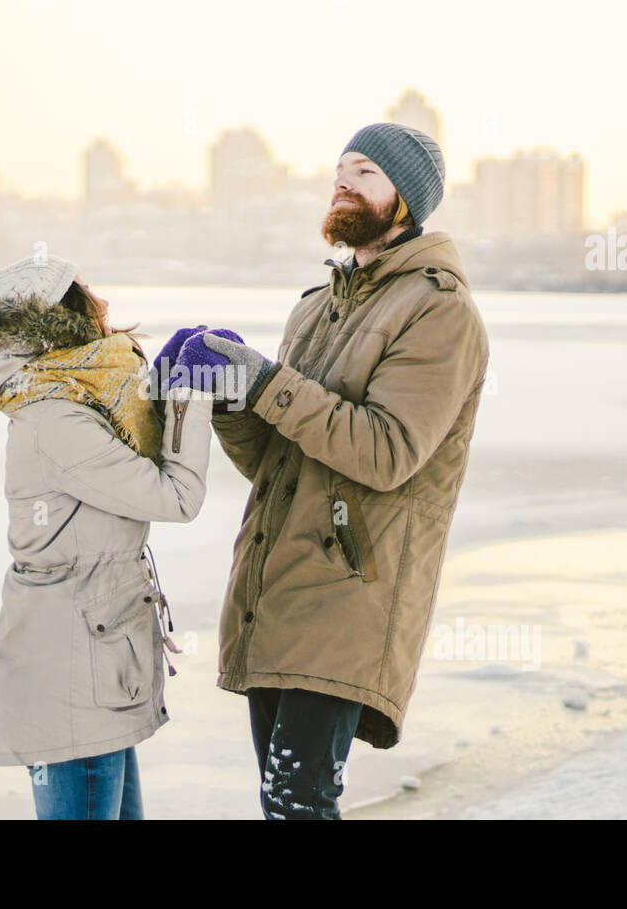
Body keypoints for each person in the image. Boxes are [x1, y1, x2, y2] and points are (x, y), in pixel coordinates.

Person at [165, 122, 490, 819]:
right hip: (275, 584)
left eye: (366, 172)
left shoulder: (438, 310)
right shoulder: (315, 308)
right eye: (341, 169)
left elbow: (385, 453)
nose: (344, 181)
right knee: (283, 802)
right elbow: (276, 462)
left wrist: (263, 382)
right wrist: (230, 393)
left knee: (298, 802)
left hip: (351, 591)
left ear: (407, 198)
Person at [0, 254, 214, 820]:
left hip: (90, 646)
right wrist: (192, 394)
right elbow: (178, 497)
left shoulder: (73, 395)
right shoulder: (57, 415)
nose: (104, 306)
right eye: (89, 296)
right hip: (76, 663)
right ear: (66, 317)